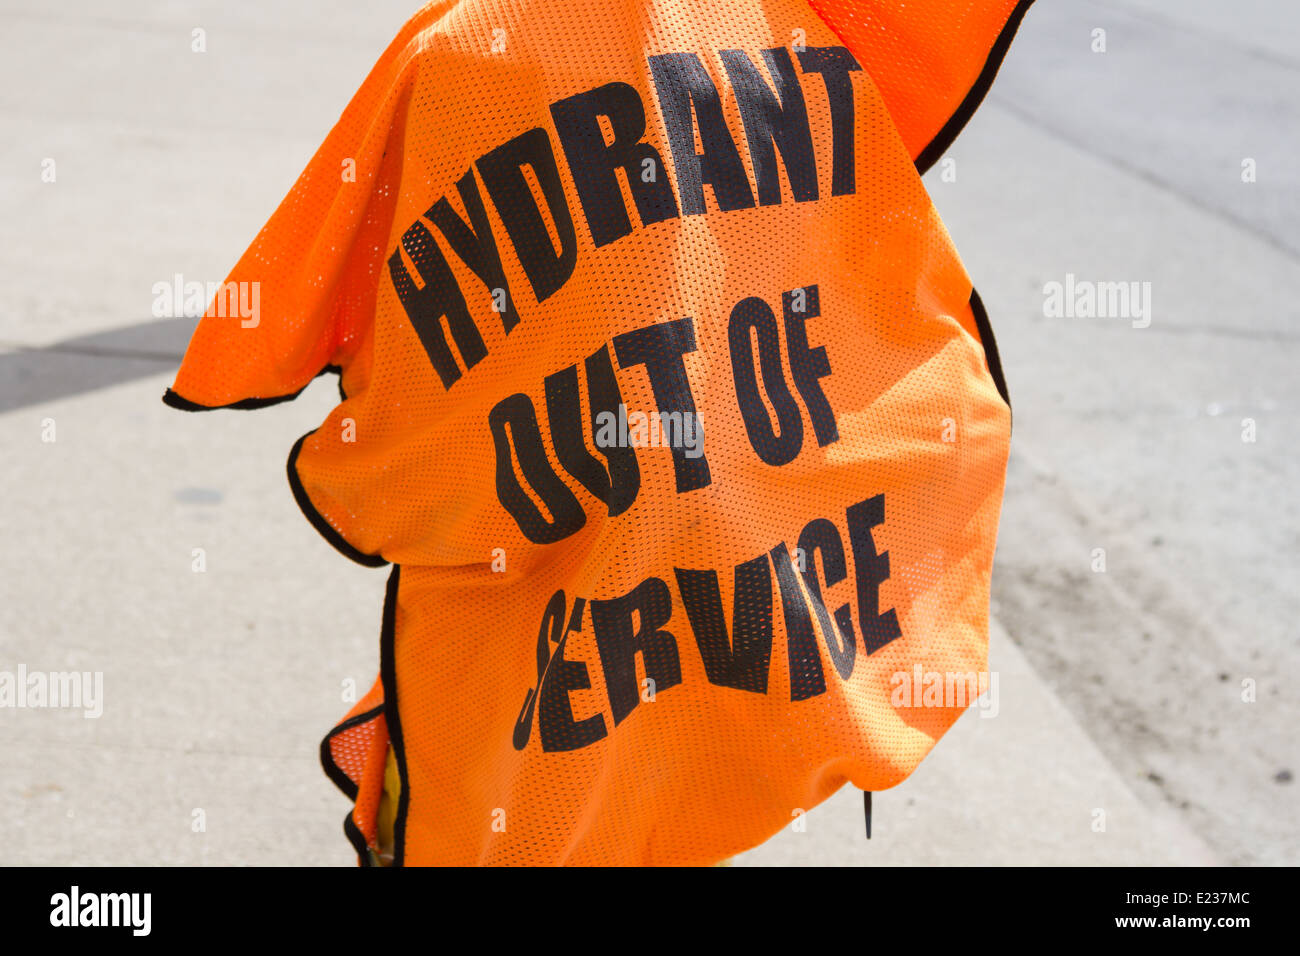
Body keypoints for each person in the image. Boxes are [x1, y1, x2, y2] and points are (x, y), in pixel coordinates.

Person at [164, 0, 1030, 866]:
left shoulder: (460, 52)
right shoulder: (793, 31)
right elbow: (865, 282)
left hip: (553, 552)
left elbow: (357, 294)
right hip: (747, 550)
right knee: (665, 782)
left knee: (504, 793)